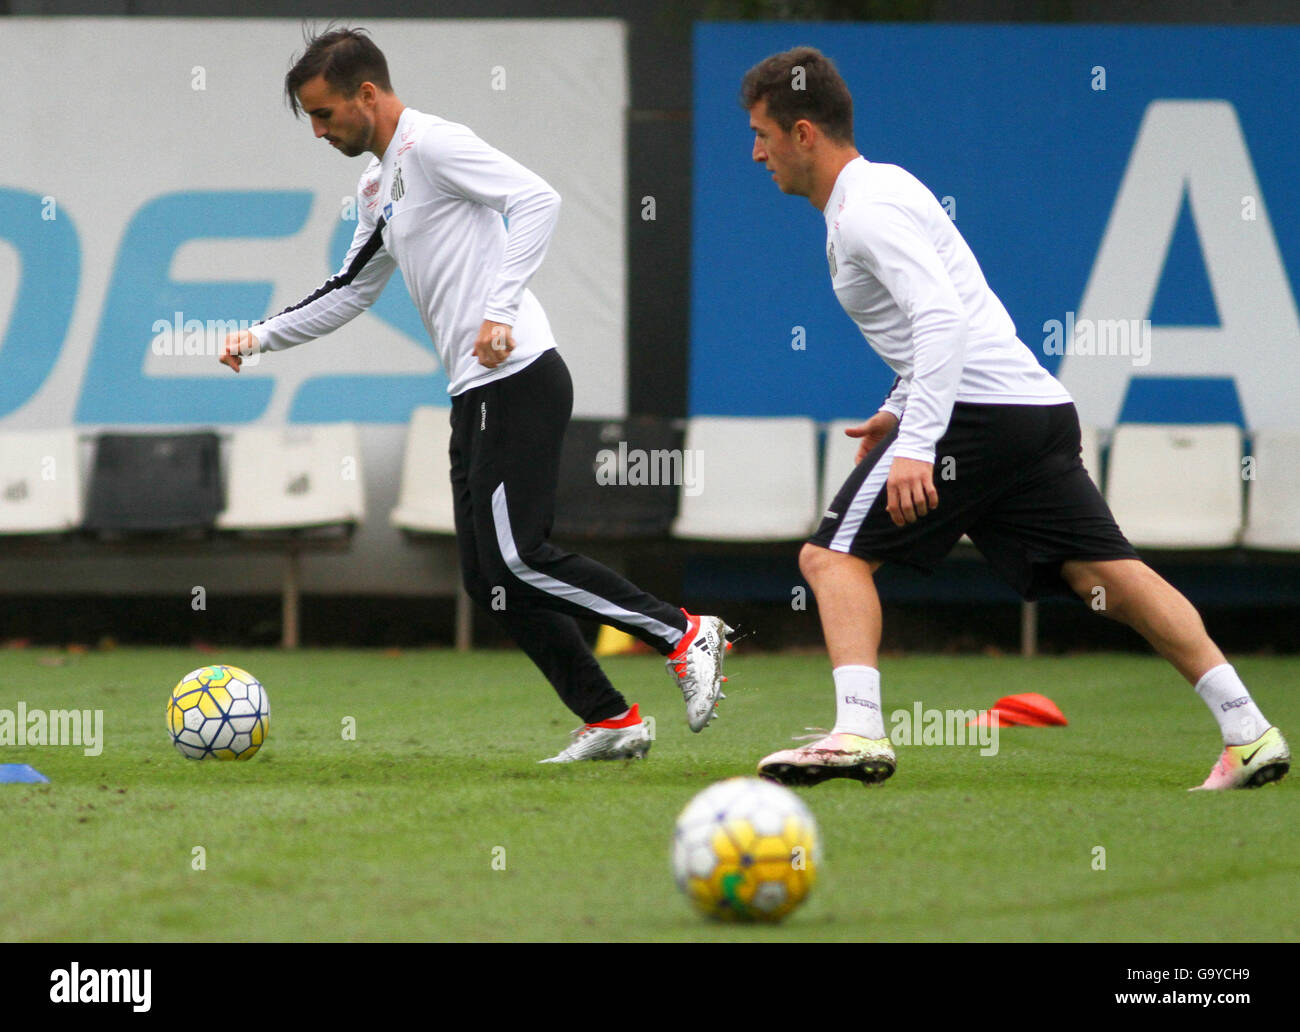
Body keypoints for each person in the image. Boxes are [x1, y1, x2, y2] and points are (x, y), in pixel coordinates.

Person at [741, 45, 1288, 791]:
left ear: (804, 133)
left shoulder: (865, 212)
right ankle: (1249, 732)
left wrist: (920, 443)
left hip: (980, 417)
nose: (755, 153)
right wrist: (897, 412)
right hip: (1032, 412)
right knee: (1113, 577)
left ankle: (859, 732)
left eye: (763, 134)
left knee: (830, 560)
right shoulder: (882, 189)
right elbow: (952, 318)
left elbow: (941, 321)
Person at [219, 27, 732, 762]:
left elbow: (539, 200)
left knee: (519, 556)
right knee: (488, 578)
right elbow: (350, 291)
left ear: (367, 94)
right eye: (311, 118)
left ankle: (682, 633)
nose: (320, 131)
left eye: (326, 114)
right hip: (475, 391)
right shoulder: (378, 185)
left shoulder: (433, 145)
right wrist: (259, 336)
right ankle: (611, 719)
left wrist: (499, 308)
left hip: (517, 373)